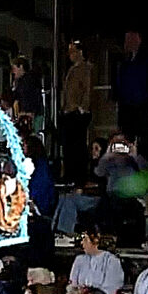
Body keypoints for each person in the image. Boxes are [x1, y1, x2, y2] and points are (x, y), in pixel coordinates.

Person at [115, 30, 148, 158]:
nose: (126, 43)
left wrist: (147, 96)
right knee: (125, 138)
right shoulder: (124, 60)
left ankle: (142, 165)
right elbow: (119, 82)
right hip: (126, 106)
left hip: (141, 105)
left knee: (142, 139)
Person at [61, 40, 93, 185]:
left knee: (78, 145)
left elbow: (87, 89)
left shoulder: (85, 68)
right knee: (68, 145)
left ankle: (79, 176)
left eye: (73, 51)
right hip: (69, 111)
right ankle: (69, 174)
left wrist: (82, 108)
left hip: (77, 112)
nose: (70, 55)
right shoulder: (71, 70)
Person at [68, 230, 124, 294]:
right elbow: (72, 284)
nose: (82, 243)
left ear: (95, 241)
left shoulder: (111, 261)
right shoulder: (79, 260)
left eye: (85, 240)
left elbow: (112, 289)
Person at [11, 55, 43, 135]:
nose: (13, 72)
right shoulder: (21, 82)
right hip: (27, 114)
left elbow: (33, 98)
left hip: (31, 114)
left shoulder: (30, 80)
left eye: (14, 68)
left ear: (21, 67)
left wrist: (29, 112)